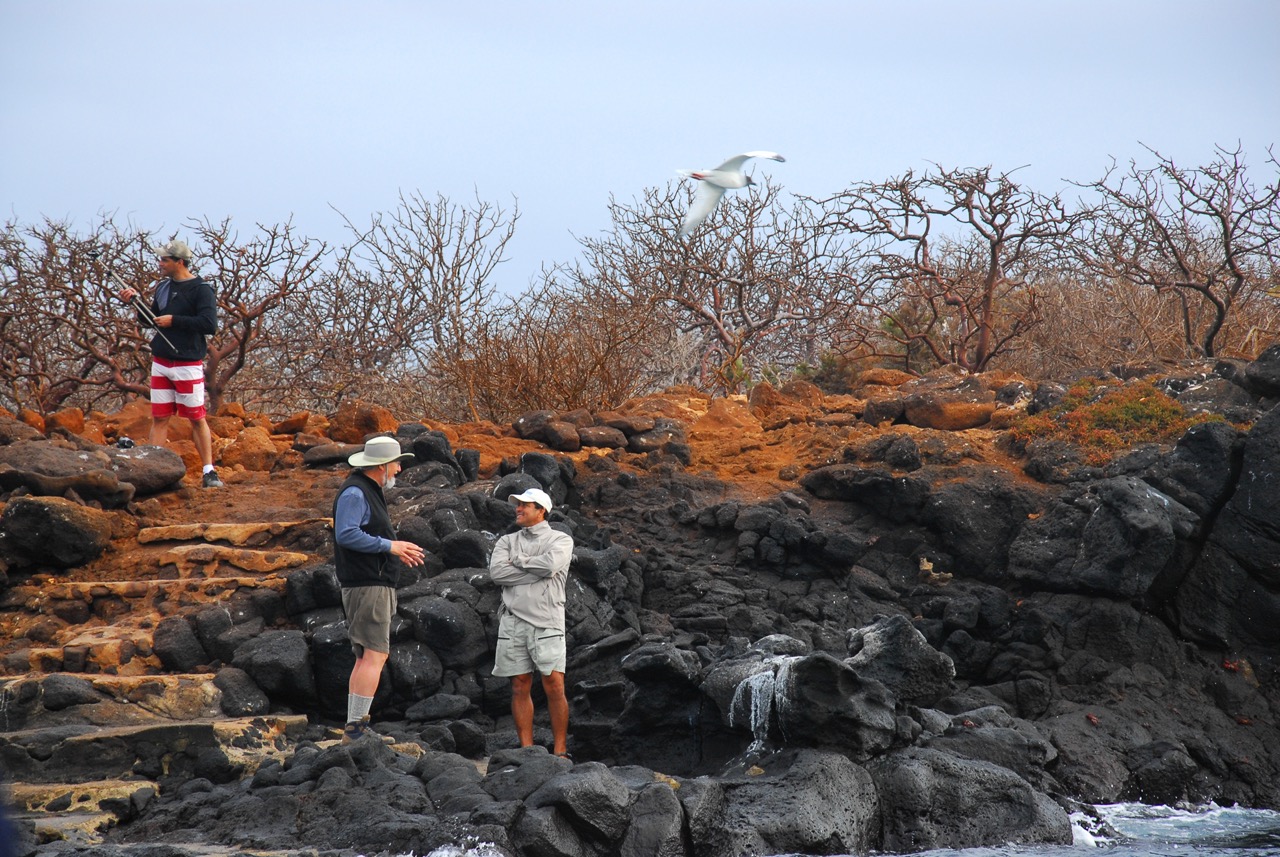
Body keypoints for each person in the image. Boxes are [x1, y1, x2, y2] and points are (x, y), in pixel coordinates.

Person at [333, 435, 426, 743]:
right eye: (397, 463)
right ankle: (357, 731)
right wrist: (391, 546)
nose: (399, 469)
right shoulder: (356, 492)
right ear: (382, 466)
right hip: (367, 585)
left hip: (370, 584)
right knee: (374, 655)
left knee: (366, 656)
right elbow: (346, 534)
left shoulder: (364, 490)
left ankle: (355, 728)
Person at [116, 239, 224, 488]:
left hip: (188, 362)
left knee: (196, 417)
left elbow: (209, 324)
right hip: (161, 360)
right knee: (160, 416)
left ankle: (209, 471)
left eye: (165, 259)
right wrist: (134, 302)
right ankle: (153, 469)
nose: (160, 263)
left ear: (180, 262)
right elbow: (151, 320)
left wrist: (174, 320)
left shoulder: (202, 289)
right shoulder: (163, 287)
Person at [488, 487, 575, 758]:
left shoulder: (560, 539)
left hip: (547, 621)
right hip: (512, 622)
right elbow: (498, 573)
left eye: (525, 505)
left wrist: (521, 561)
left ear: (541, 511)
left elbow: (550, 567)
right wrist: (535, 571)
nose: (518, 508)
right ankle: (526, 750)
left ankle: (560, 750)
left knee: (554, 684)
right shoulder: (506, 541)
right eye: (518, 504)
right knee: (519, 685)